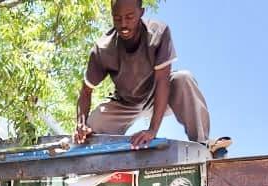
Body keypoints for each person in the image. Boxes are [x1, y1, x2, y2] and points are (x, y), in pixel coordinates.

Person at [74, 0, 211, 150]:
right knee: (92, 126)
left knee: (184, 78)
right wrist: (81, 123)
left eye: (130, 17)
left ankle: (202, 143)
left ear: (141, 12)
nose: (124, 24)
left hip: (157, 97)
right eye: (117, 18)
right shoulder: (103, 48)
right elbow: (86, 91)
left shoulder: (158, 32)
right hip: (125, 103)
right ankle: (91, 156)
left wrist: (152, 130)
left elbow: (162, 81)